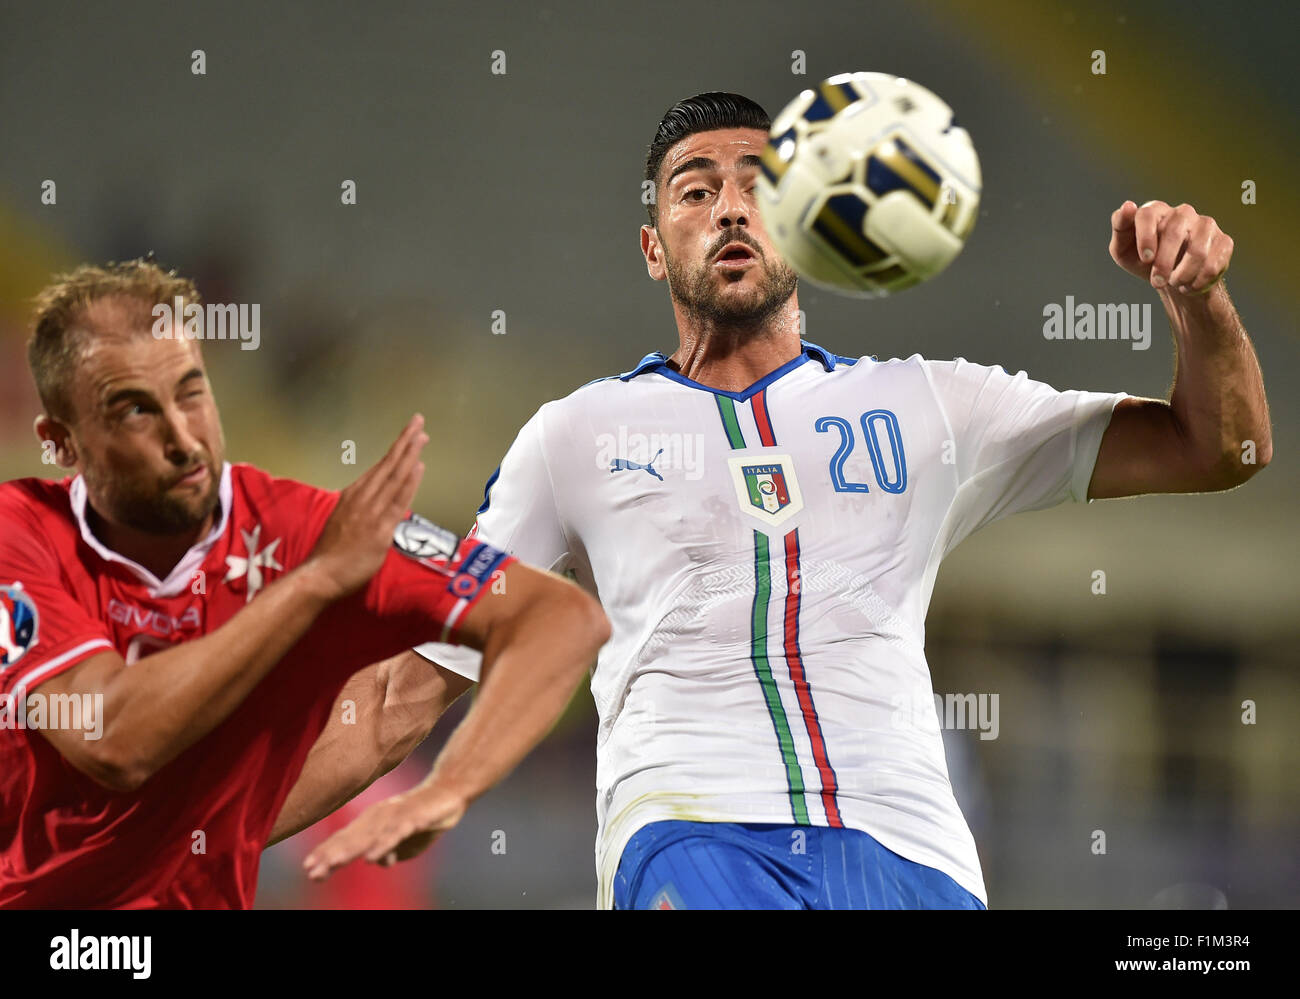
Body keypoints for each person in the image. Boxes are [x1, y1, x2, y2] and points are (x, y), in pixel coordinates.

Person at [303, 93, 1271, 909]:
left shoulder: (931, 401)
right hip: (691, 831)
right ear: (653, 246)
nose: (729, 210)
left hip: (913, 854)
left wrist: (1200, 298)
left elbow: (1221, 447)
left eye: (759, 189)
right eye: (695, 191)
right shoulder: (575, 435)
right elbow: (407, 691)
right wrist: (192, 828)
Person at [0, 259, 609, 908]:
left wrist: (447, 785)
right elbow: (111, 740)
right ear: (61, 441)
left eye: (190, 391)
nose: (183, 437)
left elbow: (557, 619)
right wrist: (311, 587)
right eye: (133, 409)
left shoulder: (302, 523)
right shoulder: (20, 537)